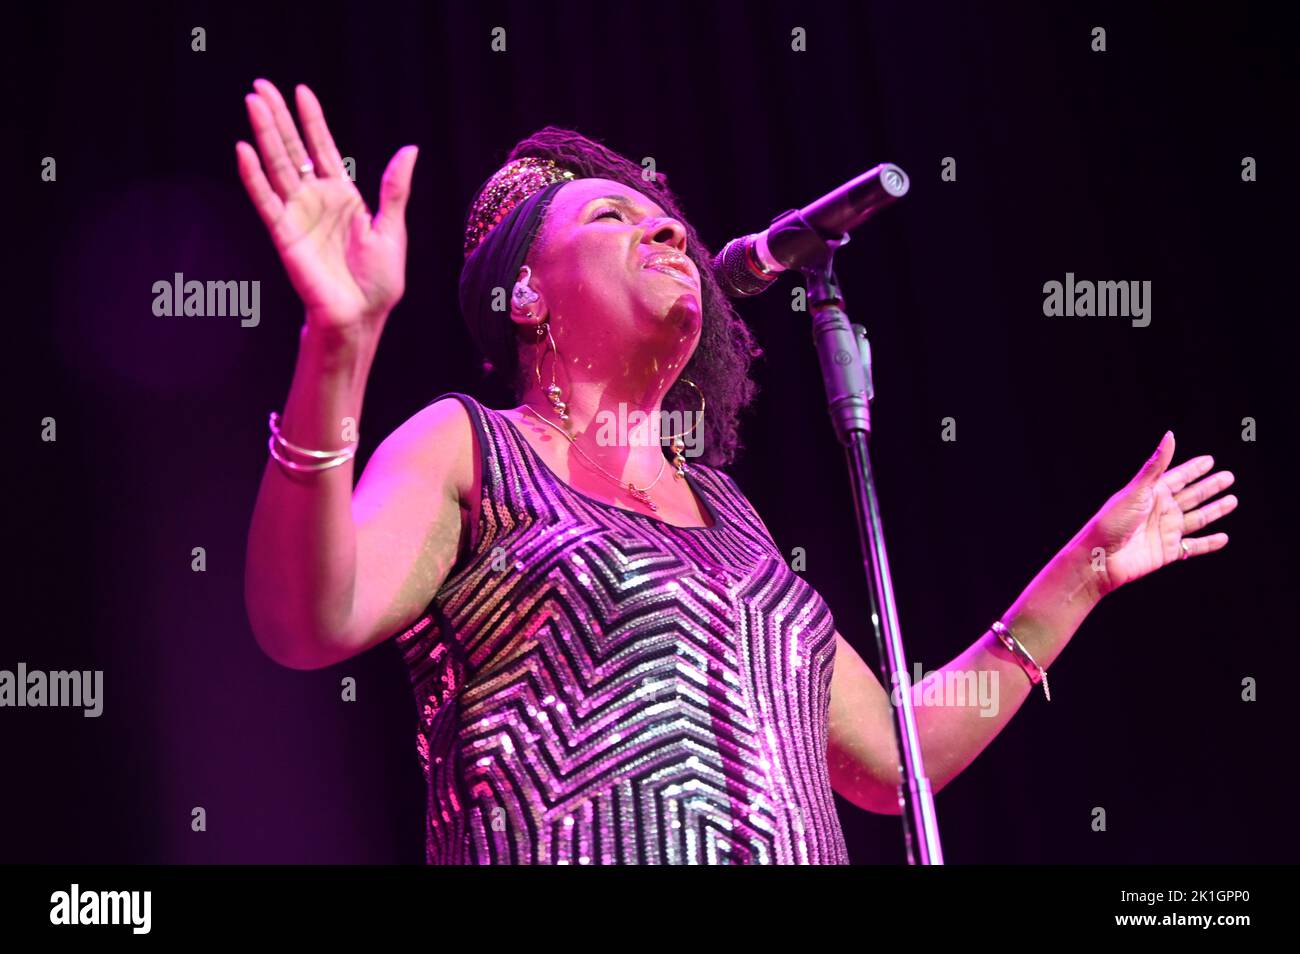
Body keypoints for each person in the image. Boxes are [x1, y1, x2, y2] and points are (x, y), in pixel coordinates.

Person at [239, 79, 1239, 864]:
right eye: (610, 221)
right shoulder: (470, 445)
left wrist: (1083, 575)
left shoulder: (728, 514)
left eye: (663, 218)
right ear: (527, 298)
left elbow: (889, 761)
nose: (667, 229)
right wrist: (340, 339)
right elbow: (308, 619)